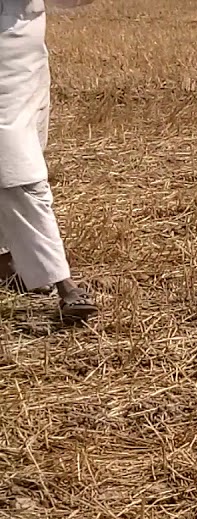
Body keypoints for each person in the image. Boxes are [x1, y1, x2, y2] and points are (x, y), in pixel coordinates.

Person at [0, 0, 96, 322]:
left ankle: (5, 258)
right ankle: (63, 284)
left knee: (25, 155)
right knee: (19, 176)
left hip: (30, 59)